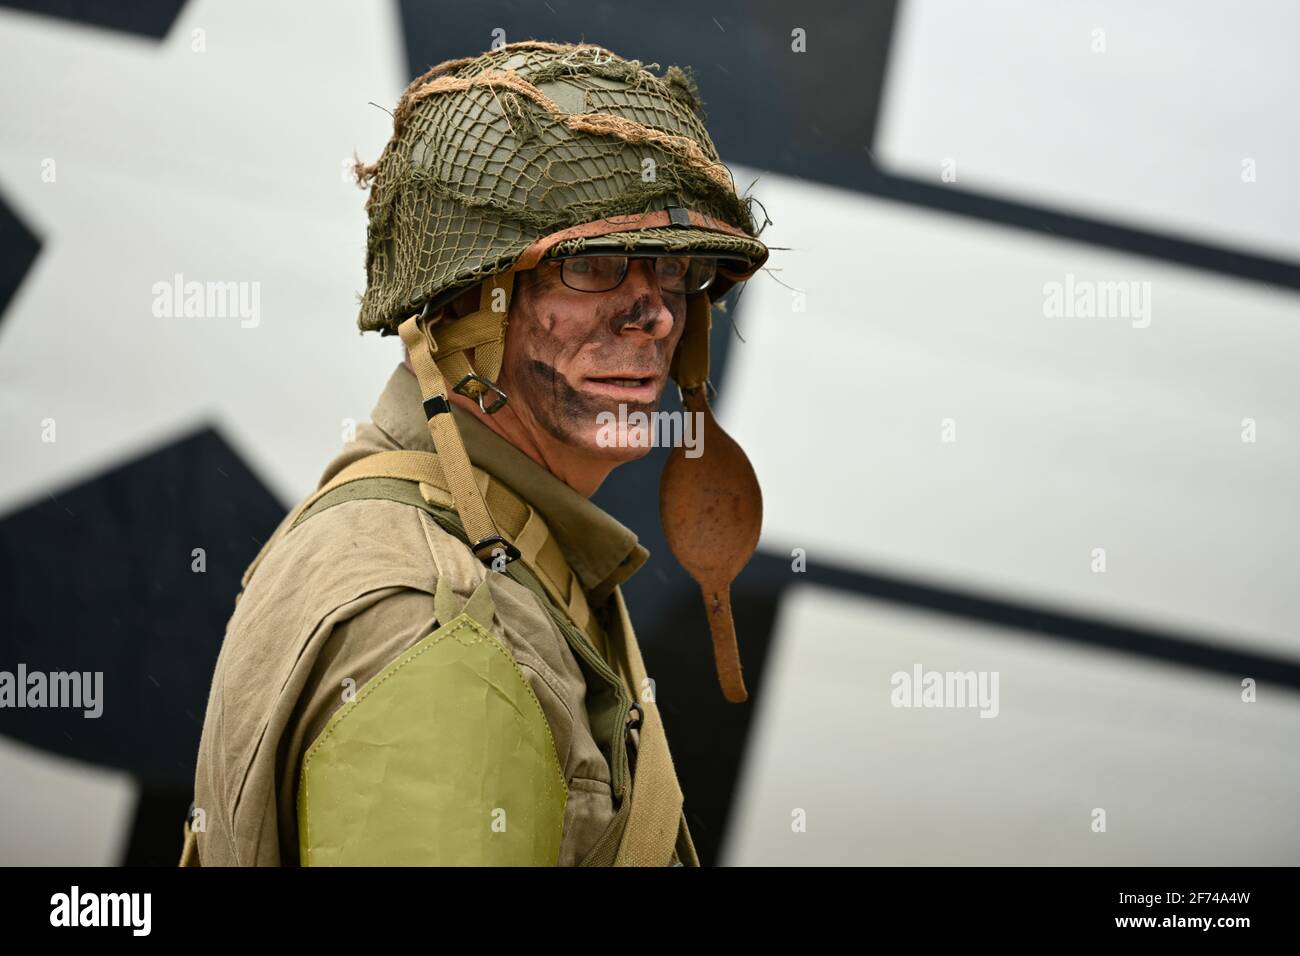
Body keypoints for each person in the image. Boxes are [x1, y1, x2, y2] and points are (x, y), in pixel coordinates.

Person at [182, 38, 769, 867]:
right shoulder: (442, 630)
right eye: (595, 266)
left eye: (674, 273)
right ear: (464, 302)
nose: (657, 315)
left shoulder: (475, 543)